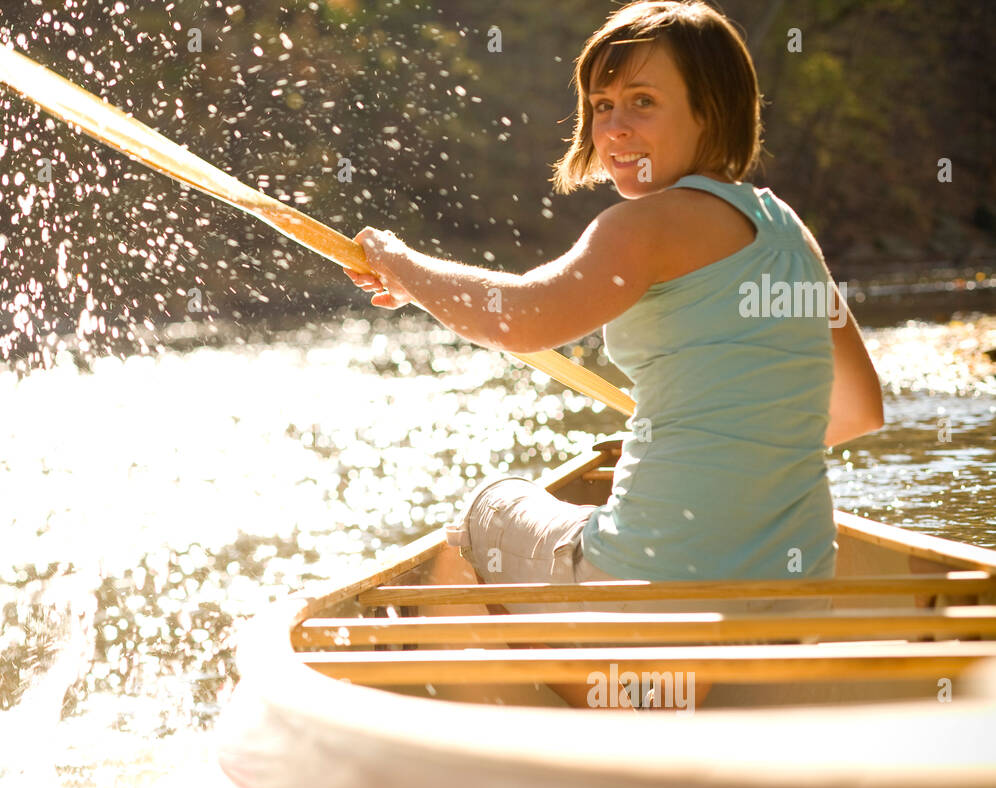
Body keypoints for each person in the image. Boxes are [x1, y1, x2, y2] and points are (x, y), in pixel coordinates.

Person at [343, 0, 884, 709]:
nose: (615, 127)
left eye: (643, 101)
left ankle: (558, 714)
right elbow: (858, 408)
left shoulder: (643, 226)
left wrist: (404, 266)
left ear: (711, 111)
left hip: (651, 588)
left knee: (482, 514)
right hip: (798, 598)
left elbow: (525, 317)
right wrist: (727, 443)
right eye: (602, 104)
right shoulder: (791, 233)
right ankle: (650, 686)